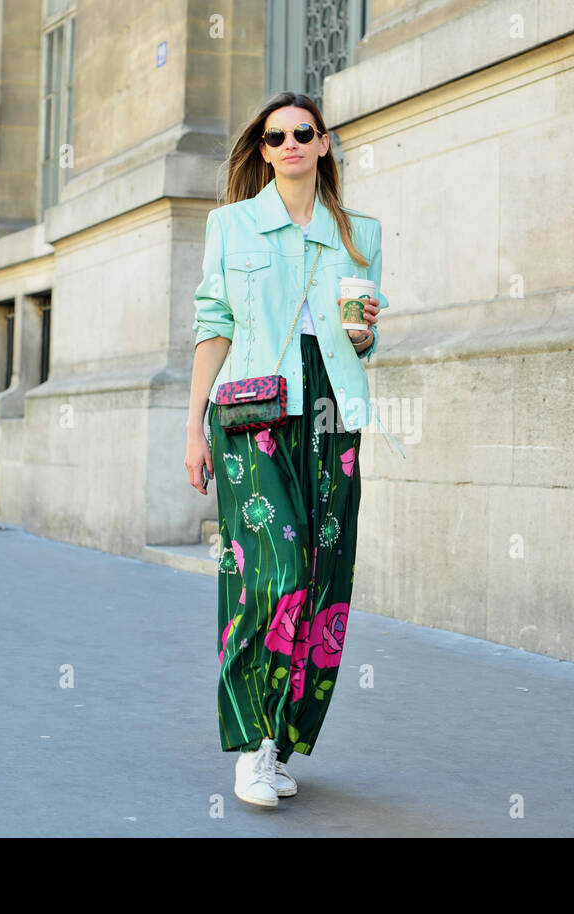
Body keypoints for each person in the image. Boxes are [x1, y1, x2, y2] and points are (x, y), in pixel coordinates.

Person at [184, 91, 389, 809]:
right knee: (268, 569)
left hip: (331, 409)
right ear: (263, 150)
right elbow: (214, 322)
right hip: (249, 412)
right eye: (277, 136)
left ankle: (277, 738)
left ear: (324, 144)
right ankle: (247, 745)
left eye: (305, 133)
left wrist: (362, 333)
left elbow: (360, 334)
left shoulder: (360, 233)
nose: (291, 144)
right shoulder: (232, 225)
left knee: (319, 574)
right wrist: (192, 425)